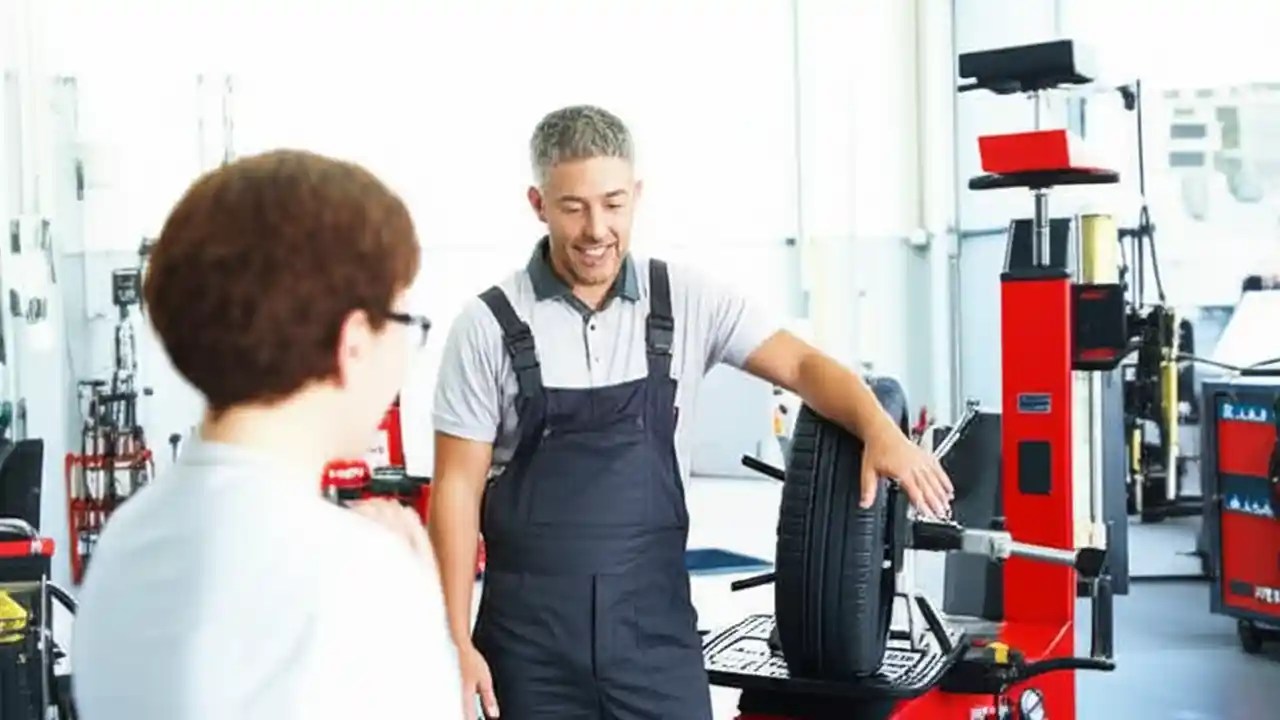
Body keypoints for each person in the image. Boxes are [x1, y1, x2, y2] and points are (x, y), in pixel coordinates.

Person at [428, 105, 954, 720]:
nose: (597, 228)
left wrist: (878, 426)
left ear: (637, 196)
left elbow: (805, 366)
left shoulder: (684, 301)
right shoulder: (486, 326)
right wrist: (455, 641)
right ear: (537, 203)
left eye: (614, 202)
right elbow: (456, 490)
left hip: (654, 646)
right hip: (528, 653)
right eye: (574, 206)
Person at [71, 149, 464, 719]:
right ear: (353, 343)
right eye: (405, 321)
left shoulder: (124, 541)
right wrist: (423, 612)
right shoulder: (361, 577)